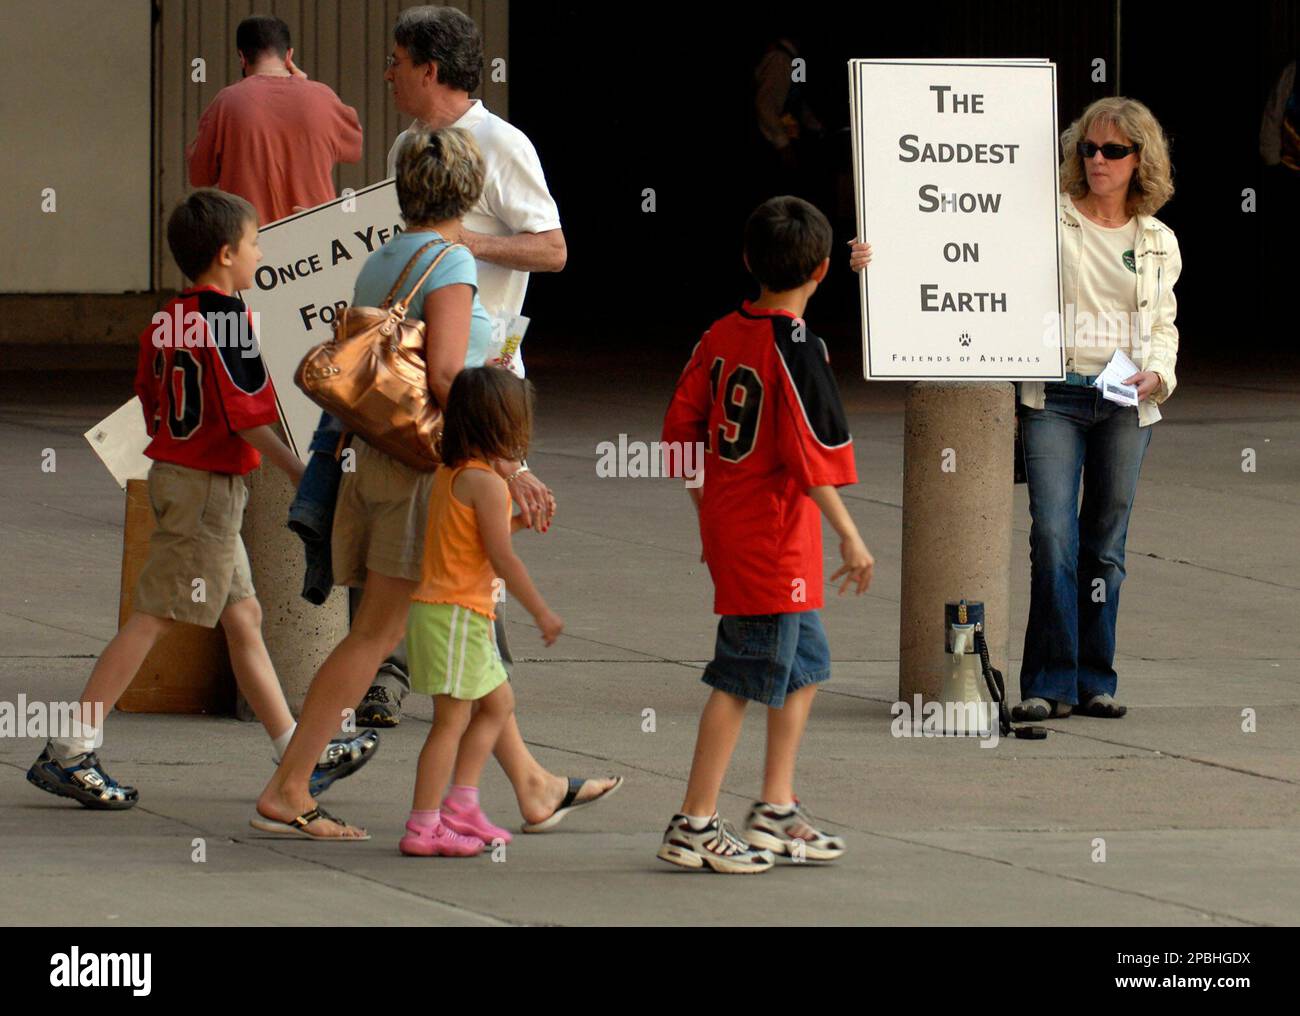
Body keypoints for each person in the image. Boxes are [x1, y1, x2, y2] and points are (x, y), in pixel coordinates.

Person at [26, 190, 376, 811]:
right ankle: (70, 747)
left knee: (243, 618)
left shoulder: (165, 320)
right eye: (254, 243)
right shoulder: (232, 322)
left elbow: (150, 401)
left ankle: (297, 750)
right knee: (156, 615)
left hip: (178, 476)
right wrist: (301, 470)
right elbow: (246, 419)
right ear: (225, 254)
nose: (260, 253)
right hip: (207, 489)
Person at [850, 95, 1180, 722]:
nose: (1098, 161)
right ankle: (1048, 683)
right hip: (1052, 394)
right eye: (1088, 149)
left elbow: (1163, 323)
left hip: (1125, 400)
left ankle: (1095, 680)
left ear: (1141, 159)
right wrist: (880, 256)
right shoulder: (1045, 219)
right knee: (1053, 536)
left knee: (1105, 546)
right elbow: (964, 246)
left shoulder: (1159, 240)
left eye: (1113, 150)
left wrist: (1157, 373)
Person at [355, 4, 569, 731]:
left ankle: (475, 691)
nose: (387, 73)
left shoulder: (501, 144)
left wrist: (463, 248)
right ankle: (408, 680)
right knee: (422, 530)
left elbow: (552, 248)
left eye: (395, 61)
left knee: (469, 535)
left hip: (481, 375)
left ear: (430, 69)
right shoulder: (406, 145)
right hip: (414, 373)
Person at [658, 196, 873, 874]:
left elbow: (680, 435)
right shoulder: (798, 350)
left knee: (804, 666)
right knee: (741, 677)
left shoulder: (720, 333)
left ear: (748, 261)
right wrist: (851, 535)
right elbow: (810, 458)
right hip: (773, 537)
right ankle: (693, 821)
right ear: (820, 269)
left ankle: (774, 806)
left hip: (747, 527)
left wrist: (708, 505)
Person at [400, 367, 563, 856]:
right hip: (456, 616)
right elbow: (500, 558)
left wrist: (517, 520)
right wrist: (542, 612)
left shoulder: (455, 473)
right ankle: (425, 826)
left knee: (497, 705)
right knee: (451, 722)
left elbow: (475, 540)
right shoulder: (487, 482)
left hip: (450, 614)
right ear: (503, 424)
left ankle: (462, 805)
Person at [187, 14, 363, 224]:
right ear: (289, 56)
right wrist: (306, 89)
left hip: (250, 243)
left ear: (242, 57)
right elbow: (354, 148)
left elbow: (199, 175)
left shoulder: (226, 103)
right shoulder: (323, 98)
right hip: (315, 240)